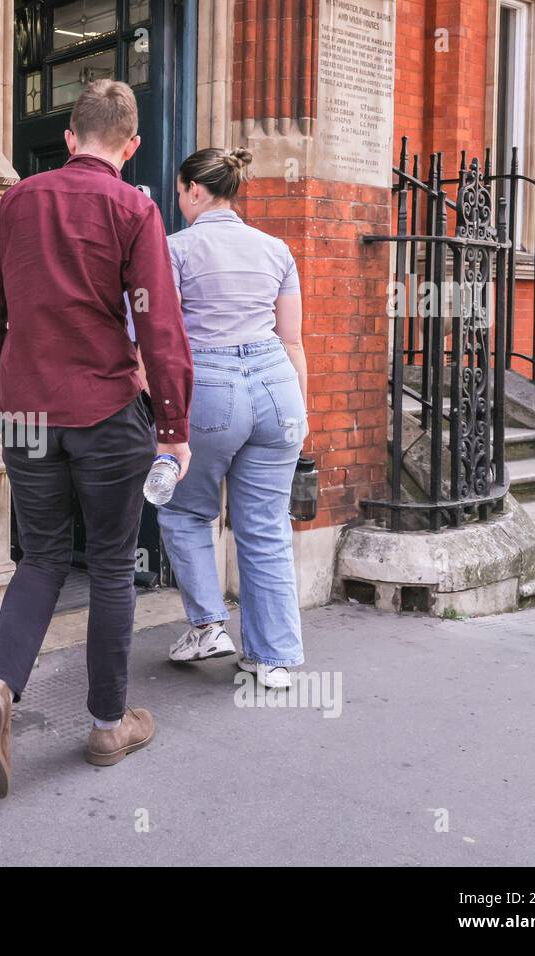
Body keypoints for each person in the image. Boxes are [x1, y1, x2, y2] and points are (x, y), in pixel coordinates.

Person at [0, 80, 193, 798]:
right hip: (104, 412)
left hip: (29, 410)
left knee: (38, 559)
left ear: (68, 138)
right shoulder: (134, 207)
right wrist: (174, 427)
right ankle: (104, 725)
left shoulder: (17, 201)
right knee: (113, 566)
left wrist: (8, 390)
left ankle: (0, 689)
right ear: (129, 147)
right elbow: (160, 326)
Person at [158, 147, 308, 689]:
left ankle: (207, 628)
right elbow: (291, 338)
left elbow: (164, 339)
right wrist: (301, 413)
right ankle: (274, 660)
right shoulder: (277, 249)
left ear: (195, 190)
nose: (179, 202)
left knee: (184, 510)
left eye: (180, 192)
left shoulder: (174, 249)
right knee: (266, 527)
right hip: (277, 386)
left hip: (211, 387)